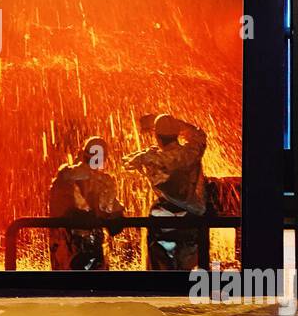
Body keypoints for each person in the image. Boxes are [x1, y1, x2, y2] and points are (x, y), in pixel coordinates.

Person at [124, 114, 208, 270]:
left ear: (157, 137)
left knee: (161, 268)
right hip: (192, 216)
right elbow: (199, 135)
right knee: (188, 267)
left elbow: (128, 163)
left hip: (163, 218)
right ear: (177, 134)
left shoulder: (151, 158)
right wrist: (177, 124)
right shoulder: (192, 152)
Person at [48, 136, 125, 271]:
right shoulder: (103, 182)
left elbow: (56, 208)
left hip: (68, 247)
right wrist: (117, 216)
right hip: (84, 247)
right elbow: (111, 219)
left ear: (82, 154)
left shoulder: (65, 176)